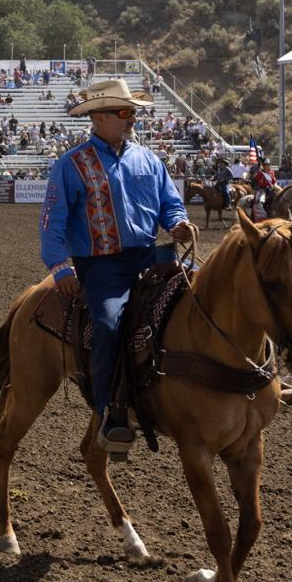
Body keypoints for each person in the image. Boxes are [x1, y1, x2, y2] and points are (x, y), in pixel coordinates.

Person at [40, 77, 191, 454]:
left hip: (153, 256)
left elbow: (170, 202)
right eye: (125, 113)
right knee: (108, 324)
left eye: (134, 113)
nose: (132, 120)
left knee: (208, 297)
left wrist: (177, 222)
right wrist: (60, 268)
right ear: (98, 117)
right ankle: (111, 412)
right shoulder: (71, 165)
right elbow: (51, 223)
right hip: (102, 267)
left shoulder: (149, 159)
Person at [249, 154, 278, 223]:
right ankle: (261, 216)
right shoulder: (260, 173)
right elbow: (255, 181)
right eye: (266, 165)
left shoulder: (272, 172)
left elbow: (274, 181)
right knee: (259, 201)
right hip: (262, 189)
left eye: (268, 165)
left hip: (272, 189)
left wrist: (275, 186)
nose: (267, 166)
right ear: (263, 166)